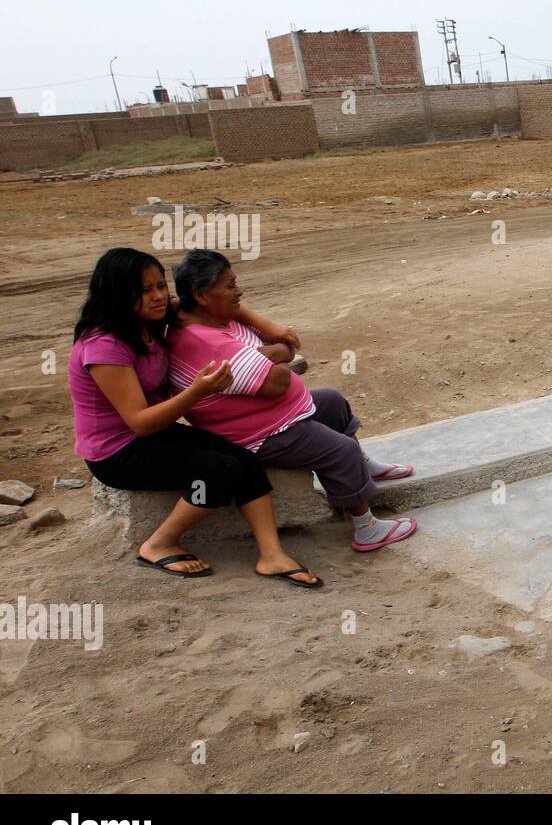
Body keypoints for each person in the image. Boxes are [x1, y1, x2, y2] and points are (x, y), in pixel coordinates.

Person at [69, 247, 317, 586]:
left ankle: (271, 555)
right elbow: (139, 422)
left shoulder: (153, 316)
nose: (158, 296)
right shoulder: (104, 346)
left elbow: (215, 303)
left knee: (242, 458)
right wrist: (197, 392)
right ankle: (158, 544)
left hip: (156, 432)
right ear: (117, 294)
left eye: (161, 286)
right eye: (145, 290)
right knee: (219, 472)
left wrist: (268, 326)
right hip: (116, 451)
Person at [167, 249, 417, 553]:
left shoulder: (200, 314)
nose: (239, 291)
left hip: (277, 413)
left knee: (332, 402)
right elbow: (278, 381)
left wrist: (266, 355)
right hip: (261, 433)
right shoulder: (207, 341)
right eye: (230, 286)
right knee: (340, 450)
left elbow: (280, 354)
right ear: (202, 295)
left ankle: (363, 467)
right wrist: (276, 352)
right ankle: (367, 528)